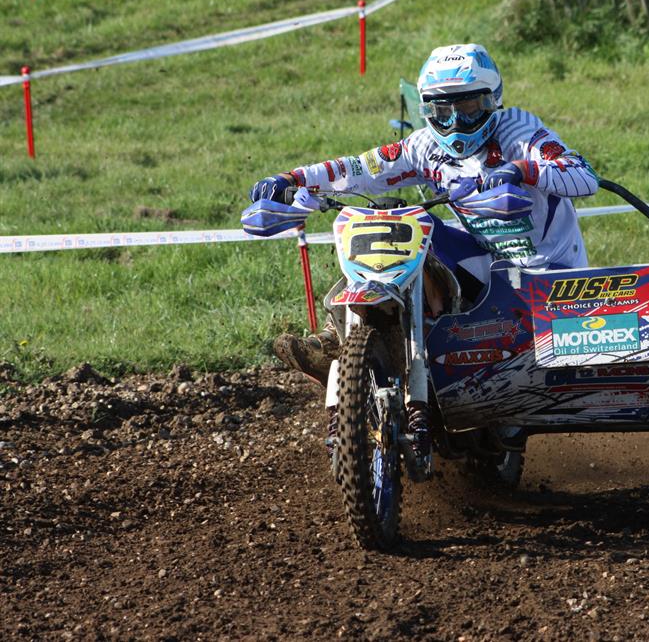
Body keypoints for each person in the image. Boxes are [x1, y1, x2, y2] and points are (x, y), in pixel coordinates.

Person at [246, 43, 598, 456]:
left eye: (468, 107)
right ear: (427, 110)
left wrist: (522, 170)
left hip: (546, 272)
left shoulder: (519, 131)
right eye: (441, 112)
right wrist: (293, 178)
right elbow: (361, 168)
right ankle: (342, 336)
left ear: (492, 101)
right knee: (402, 224)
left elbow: (583, 175)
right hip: (482, 259)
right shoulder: (424, 146)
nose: (455, 123)